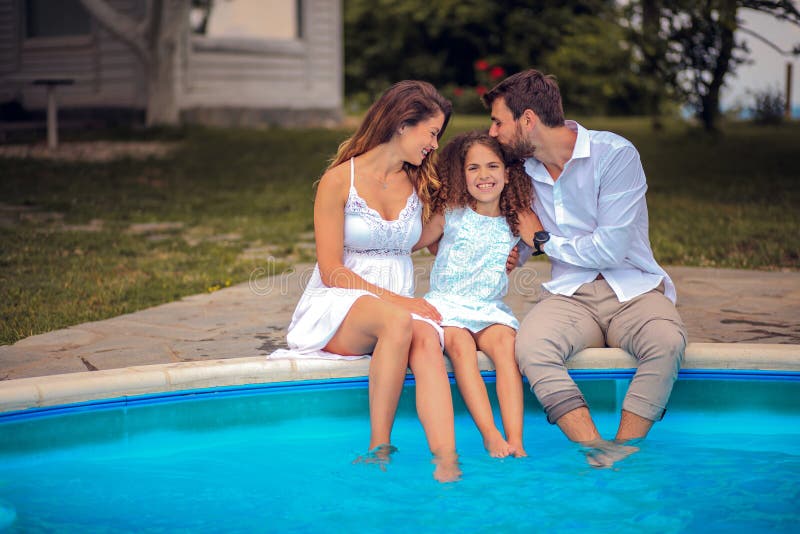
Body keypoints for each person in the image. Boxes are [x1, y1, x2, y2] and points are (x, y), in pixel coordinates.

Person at [483, 69, 687, 467]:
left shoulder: (615, 155)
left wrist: (542, 241)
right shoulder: (521, 171)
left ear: (528, 120)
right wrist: (512, 253)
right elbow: (522, 238)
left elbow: (610, 249)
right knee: (530, 348)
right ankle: (597, 450)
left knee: (667, 342)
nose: (492, 133)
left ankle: (626, 449)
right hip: (570, 295)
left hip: (633, 289)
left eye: (498, 121)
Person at [270, 80, 460, 482]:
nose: (434, 144)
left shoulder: (421, 182)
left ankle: (446, 459)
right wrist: (399, 302)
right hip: (340, 301)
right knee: (398, 322)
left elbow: (429, 242)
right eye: (431, 132)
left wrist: (500, 244)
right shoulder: (340, 180)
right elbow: (331, 269)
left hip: (398, 306)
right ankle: (380, 448)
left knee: (427, 340)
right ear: (403, 124)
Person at [414, 131, 540, 458]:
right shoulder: (451, 212)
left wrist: (527, 250)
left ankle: (516, 439)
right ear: (461, 175)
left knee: (507, 350)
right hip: (447, 305)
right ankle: (490, 433)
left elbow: (540, 241)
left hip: (488, 308)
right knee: (460, 348)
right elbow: (415, 239)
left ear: (507, 173)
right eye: (473, 169)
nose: (484, 176)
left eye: (492, 166)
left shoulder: (517, 219)